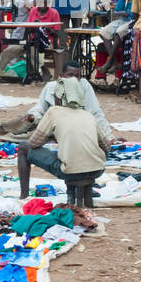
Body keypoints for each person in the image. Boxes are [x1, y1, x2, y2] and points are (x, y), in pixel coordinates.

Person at [17, 71, 110, 227]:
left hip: (70, 170)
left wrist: (51, 136)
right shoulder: (88, 115)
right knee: (71, 155)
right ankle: (86, 192)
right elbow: (106, 146)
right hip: (97, 170)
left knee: (23, 147)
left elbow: (33, 144)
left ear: (59, 97)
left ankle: (24, 195)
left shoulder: (54, 112)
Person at [0, 0, 59, 78]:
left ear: (48, 2)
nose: (41, 5)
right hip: (31, 41)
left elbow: (56, 34)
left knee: (31, 49)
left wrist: (45, 27)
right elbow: (27, 28)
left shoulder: (54, 13)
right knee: (9, 51)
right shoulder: (33, 11)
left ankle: (43, 69)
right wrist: (34, 26)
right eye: (40, 2)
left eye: (44, 3)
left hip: (46, 43)